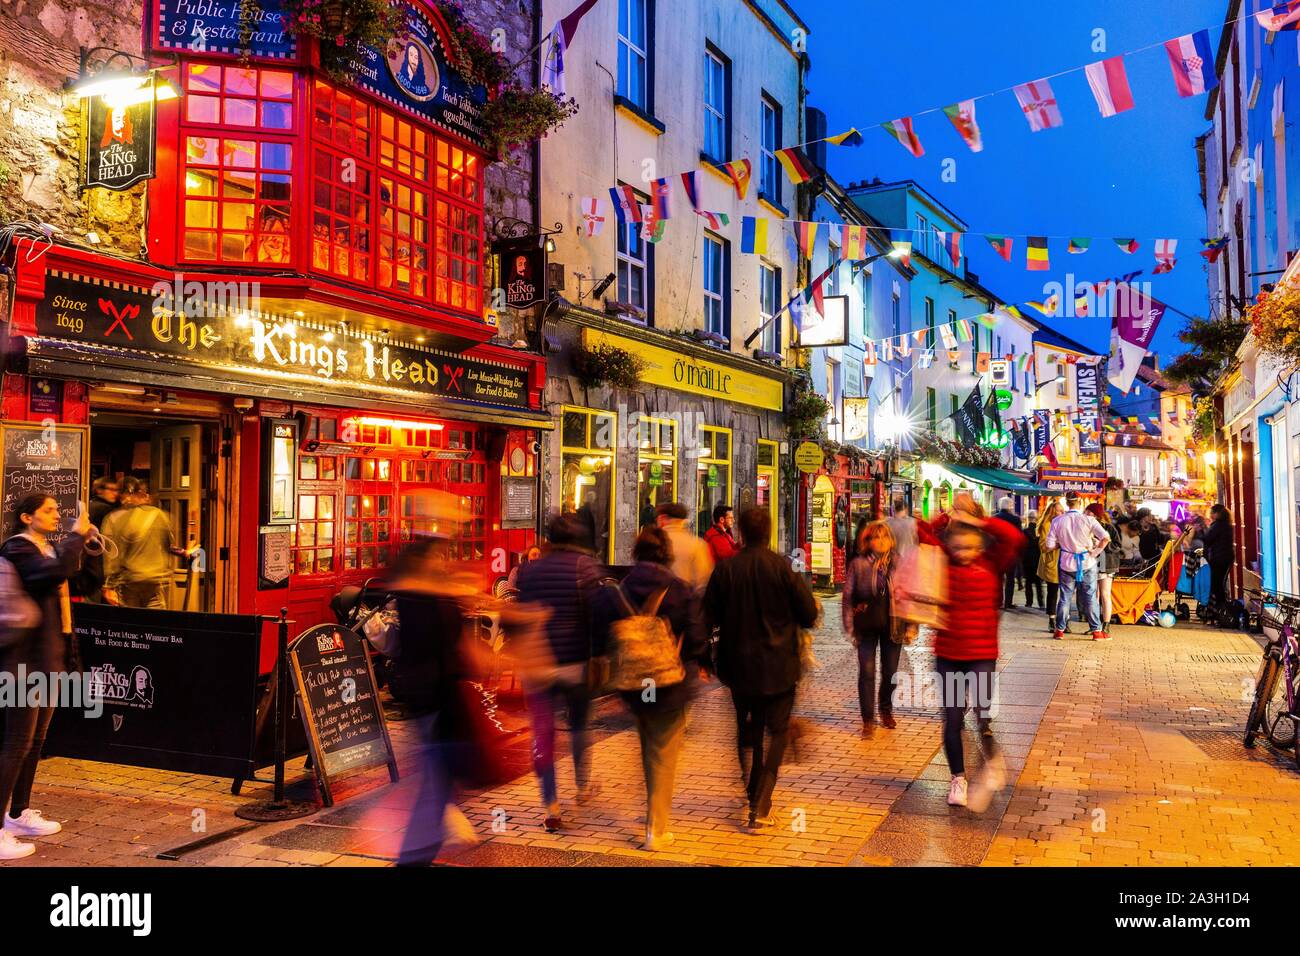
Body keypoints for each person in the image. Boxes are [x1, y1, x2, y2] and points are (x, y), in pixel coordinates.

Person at [591, 526, 710, 851]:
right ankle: (655, 829)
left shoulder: (619, 590)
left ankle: (651, 814)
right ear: (666, 555)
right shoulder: (680, 590)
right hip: (670, 684)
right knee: (663, 754)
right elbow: (697, 640)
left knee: (649, 748)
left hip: (634, 685)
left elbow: (602, 633)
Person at [705, 506, 818, 831]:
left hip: (738, 665)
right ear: (768, 532)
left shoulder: (726, 569)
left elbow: (707, 614)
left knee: (747, 730)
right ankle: (762, 800)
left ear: (740, 531)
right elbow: (809, 613)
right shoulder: (783, 568)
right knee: (778, 731)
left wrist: (703, 657)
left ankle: (752, 792)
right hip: (779, 665)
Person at [385, 537, 487, 865]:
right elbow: (447, 642)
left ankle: (432, 835)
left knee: (438, 780)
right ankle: (415, 855)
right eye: (437, 557)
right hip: (435, 697)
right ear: (421, 561)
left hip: (434, 695)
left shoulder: (422, 594)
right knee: (435, 785)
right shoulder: (421, 596)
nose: (442, 562)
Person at [0, 493, 88, 860]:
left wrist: (83, 542)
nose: (56, 515)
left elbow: (76, 577)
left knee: (36, 741)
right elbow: (50, 575)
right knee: (15, 745)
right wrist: (76, 536)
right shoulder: (18, 549)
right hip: (22, 664)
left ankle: (18, 814)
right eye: (48, 510)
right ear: (26, 517)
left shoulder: (45, 547)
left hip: (47, 659)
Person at [513, 514, 605, 832]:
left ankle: (550, 804)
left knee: (543, 733)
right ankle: (582, 787)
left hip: (537, 662)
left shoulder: (529, 569)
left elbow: (521, 614)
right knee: (579, 725)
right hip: (574, 662)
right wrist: (599, 656)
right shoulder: (585, 567)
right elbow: (598, 616)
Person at [932, 507, 1023, 811]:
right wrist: (948, 517)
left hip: (982, 654)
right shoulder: (943, 563)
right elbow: (925, 533)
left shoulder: (993, 564)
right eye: (957, 546)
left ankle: (993, 760)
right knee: (953, 719)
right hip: (948, 654)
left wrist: (978, 521)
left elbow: (1012, 536)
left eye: (969, 547)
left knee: (983, 715)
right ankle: (958, 779)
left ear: (980, 545)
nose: (963, 553)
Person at [842, 520, 902, 737]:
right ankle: (868, 719)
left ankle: (885, 708)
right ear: (867, 541)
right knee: (866, 672)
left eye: (884, 537)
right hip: (866, 624)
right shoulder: (858, 564)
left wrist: (912, 625)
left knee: (891, 672)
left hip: (893, 625)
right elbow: (848, 596)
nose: (880, 541)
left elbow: (908, 593)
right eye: (875, 537)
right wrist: (849, 625)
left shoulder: (897, 562)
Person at [101, 478, 177, 610]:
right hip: (154, 580)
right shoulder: (161, 516)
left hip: (129, 581)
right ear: (146, 495)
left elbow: (113, 555)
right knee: (155, 624)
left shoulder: (118, 519)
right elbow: (169, 545)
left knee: (131, 623)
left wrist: (109, 584)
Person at [1047, 491, 1112, 642]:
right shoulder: (1089, 520)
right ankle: (1096, 631)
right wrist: (1095, 552)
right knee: (1090, 597)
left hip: (1066, 562)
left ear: (1066, 502)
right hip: (1087, 562)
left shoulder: (1057, 521)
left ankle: (1059, 630)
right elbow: (1106, 538)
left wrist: (1063, 544)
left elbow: (1049, 545)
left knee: (1065, 597)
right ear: (1079, 501)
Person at [72, 477, 121, 602]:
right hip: (96, 571)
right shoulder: (106, 510)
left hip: (84, 570)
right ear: (99, 490)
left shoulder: (90, 505)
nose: (115, 493)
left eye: (117, 490)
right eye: (112, 489)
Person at [655, 502, 714, 593]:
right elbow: (703, 581)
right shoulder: (697, 545)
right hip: (685, 601)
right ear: (683, 521)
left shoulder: (654, 543)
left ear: (662, 518)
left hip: (656, 602)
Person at [1087, 503, 1123, 634]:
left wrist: (1102, 545)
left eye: (1088, 512)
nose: (1085, 514)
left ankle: (1106, 625)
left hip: (1106, 564)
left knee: (1105, 594)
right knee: (1093, 596)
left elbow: (1117, 546)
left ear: (1095, 514)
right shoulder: (1087, 527)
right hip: (1091, 564)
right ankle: (1095, 625)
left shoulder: (1109, 528)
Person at [992, 497, 1025, 609]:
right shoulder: (1015, 519)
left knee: (998, 579)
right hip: (1011, 553)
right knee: (1010, 579)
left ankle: (998, 602)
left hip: (997, 553)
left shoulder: (994, 518)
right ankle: (1008, 603)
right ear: (1010, 506)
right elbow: (1019, 537)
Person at [1036, 500, 1063, 633]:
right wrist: (1060, 543)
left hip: (1064, 561)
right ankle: (1052, 620)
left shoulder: (1063, 522)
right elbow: (1044, 546)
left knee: (1065, 593)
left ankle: (1063, 621)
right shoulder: (1047, 524)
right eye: (1060, 510)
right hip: (1052, 561)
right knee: (1053, 592)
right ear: (1053, 512)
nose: (1063, 513)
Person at [1202, 504, 1234, 608]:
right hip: (1224, 557)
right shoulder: (1226, 524)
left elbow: (1208, 539)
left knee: (1216, 584)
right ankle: (1220, 607)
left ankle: (1221, 608)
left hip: (1219, 558)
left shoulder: (1218, 525)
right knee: (1219, 583)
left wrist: (1201, 531)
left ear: (1217, 513)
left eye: (1212, 512)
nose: (1210, 515)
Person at [1021, 509, 1043, 609]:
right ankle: (1041, 602)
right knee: (1038, 583)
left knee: (1028, 582)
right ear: (1037, 519)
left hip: (1027, 560)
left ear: (1028, 519)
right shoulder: (1040, 532)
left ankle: (1029, 602)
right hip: (1038, 560)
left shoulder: (1024, 532)